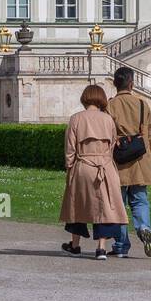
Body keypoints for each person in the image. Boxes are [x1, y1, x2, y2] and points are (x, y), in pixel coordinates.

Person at [60, 84, 128, 260]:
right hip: (104, 167)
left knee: (77, 205)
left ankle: (75, 245)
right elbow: (112, 145)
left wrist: (69, 166)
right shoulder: (108, 120)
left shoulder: (76, 119)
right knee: (104, 207)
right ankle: (101, 248)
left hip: (83, 165)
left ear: (84, 98)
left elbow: (70, 148)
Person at [106, 67, 151, 259]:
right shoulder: (142, 104)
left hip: (119, 158)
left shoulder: (110, 105)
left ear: (115, 84)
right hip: (140, 157)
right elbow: (150, 134)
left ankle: (121, 245)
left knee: (118, 204)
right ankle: (144, 227)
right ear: (131, 84)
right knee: (140, 199)